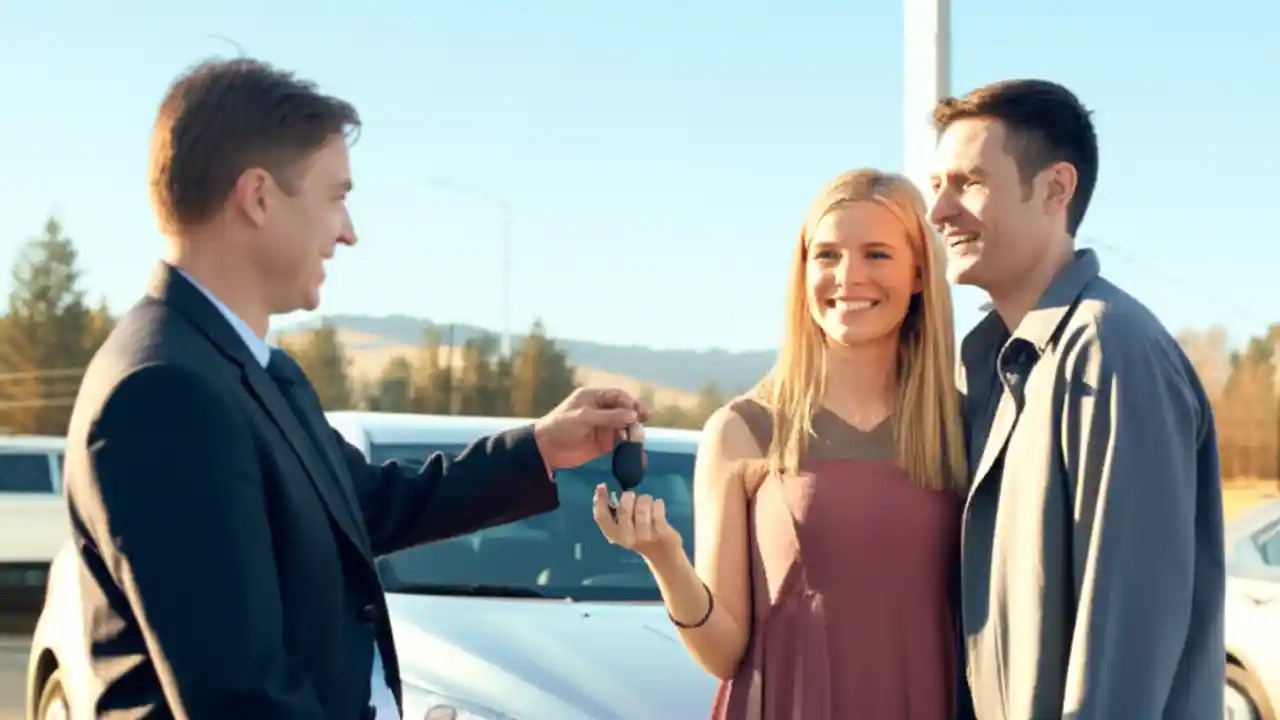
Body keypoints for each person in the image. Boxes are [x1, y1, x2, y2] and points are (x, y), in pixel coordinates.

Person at [61, 57, 646, 720]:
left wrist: (540, 447)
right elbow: (239, 700)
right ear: (257, 197)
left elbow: (362, 506)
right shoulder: (164, 394)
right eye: (336, 197)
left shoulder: (250, 370)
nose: (348, 230)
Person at [592, 168, 971, 718]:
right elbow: (723, 654)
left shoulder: (965, 430)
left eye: (877, 254)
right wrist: (665, 558)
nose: (848, 276)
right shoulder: (743, 430)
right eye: (827, 255)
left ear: (919, 273)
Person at [927, 78, 1225, 719]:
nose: (940, 212)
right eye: (936, 187)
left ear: (1055, 189)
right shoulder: (988, 366)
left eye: (969, 183)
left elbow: (1129, 629)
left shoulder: (1111, 352)